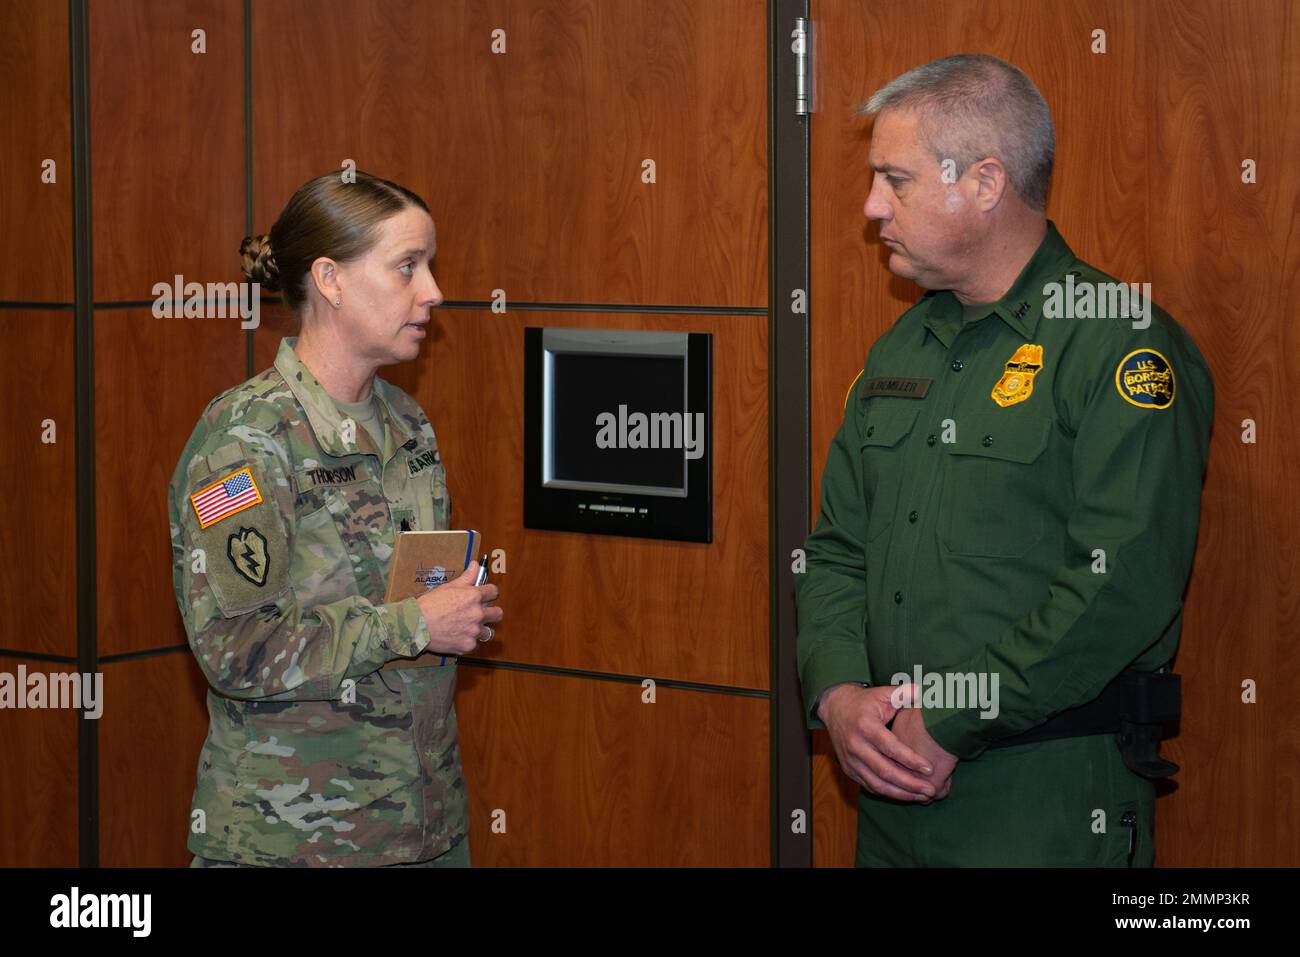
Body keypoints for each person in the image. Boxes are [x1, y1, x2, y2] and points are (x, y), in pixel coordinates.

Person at [795, 54, 1213, 866]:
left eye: (896, 179)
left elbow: (1119, 584)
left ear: (985, 183)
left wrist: (951, 716)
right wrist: (840, 695)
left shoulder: (1115, 344)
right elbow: (838, 550)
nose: (871, 205)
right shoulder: (902, 347)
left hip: (1044, 806)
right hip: (891, 806)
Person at [168, 170, 502, 867]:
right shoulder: (246, 439)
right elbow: (236, 649)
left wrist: (453, 607)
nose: (433, 290)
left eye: (429, 265)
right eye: (407, 266)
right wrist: (416, 623)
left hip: (422, 830)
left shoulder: (406, 423)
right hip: (290, 842)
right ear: (331, 278)